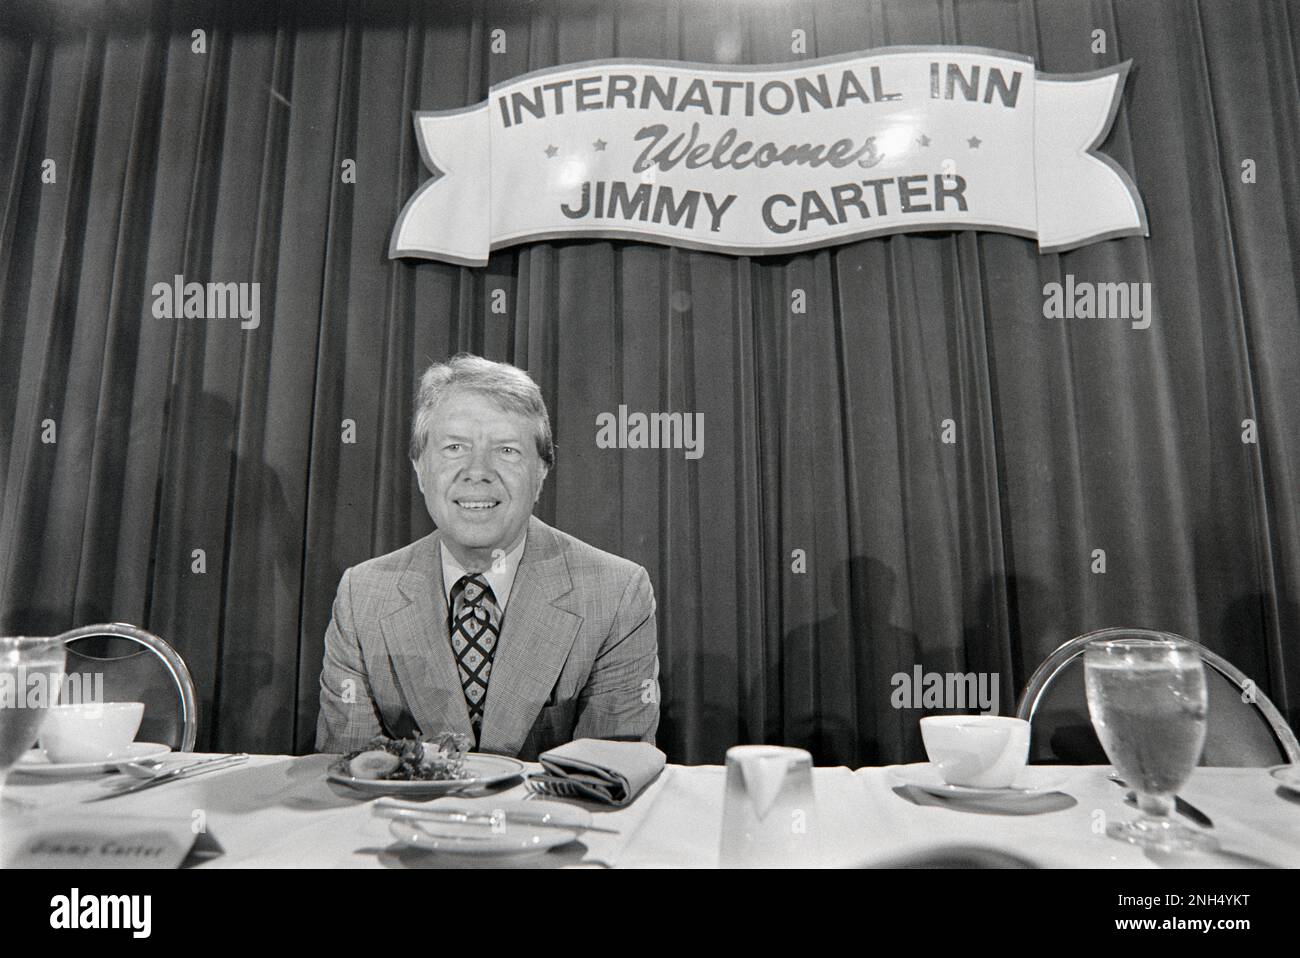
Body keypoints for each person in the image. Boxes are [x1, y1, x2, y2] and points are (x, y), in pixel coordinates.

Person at [316, 354, 660, 760]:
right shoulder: (361, 596)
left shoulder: (617, 594)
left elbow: (610, 776)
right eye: (455, 447)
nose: (477, 471)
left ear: (542, 471)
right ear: (419, 468)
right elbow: (349, 772)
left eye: (507, 450)